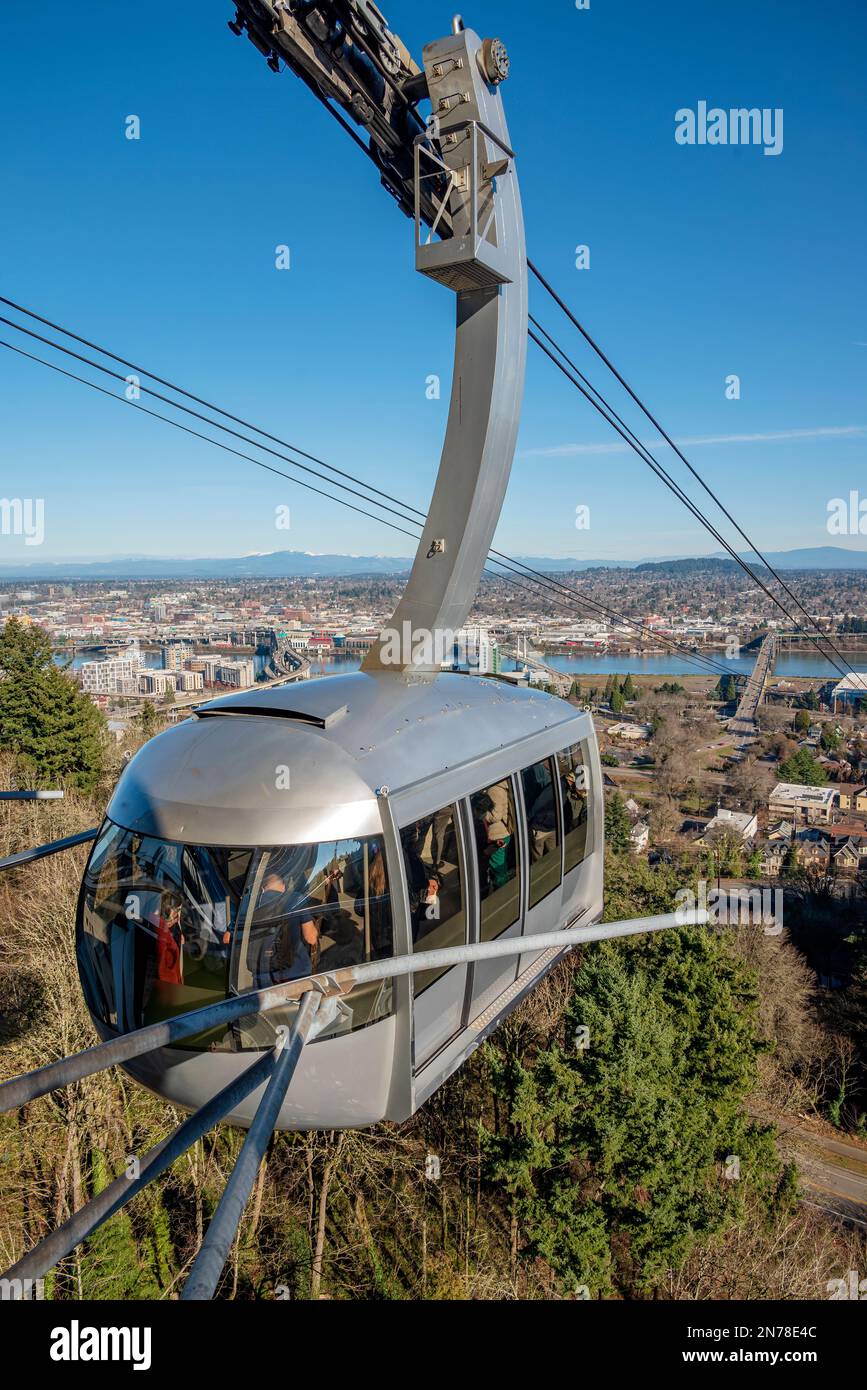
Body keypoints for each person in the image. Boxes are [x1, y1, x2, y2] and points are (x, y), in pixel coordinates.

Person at [254, 870, 319, 985]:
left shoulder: (252, 904)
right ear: (283, 886)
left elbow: (229, 937)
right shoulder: (296, 898)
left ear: (263, 888)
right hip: (296, 971)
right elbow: (311, 938)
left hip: (264, 973)